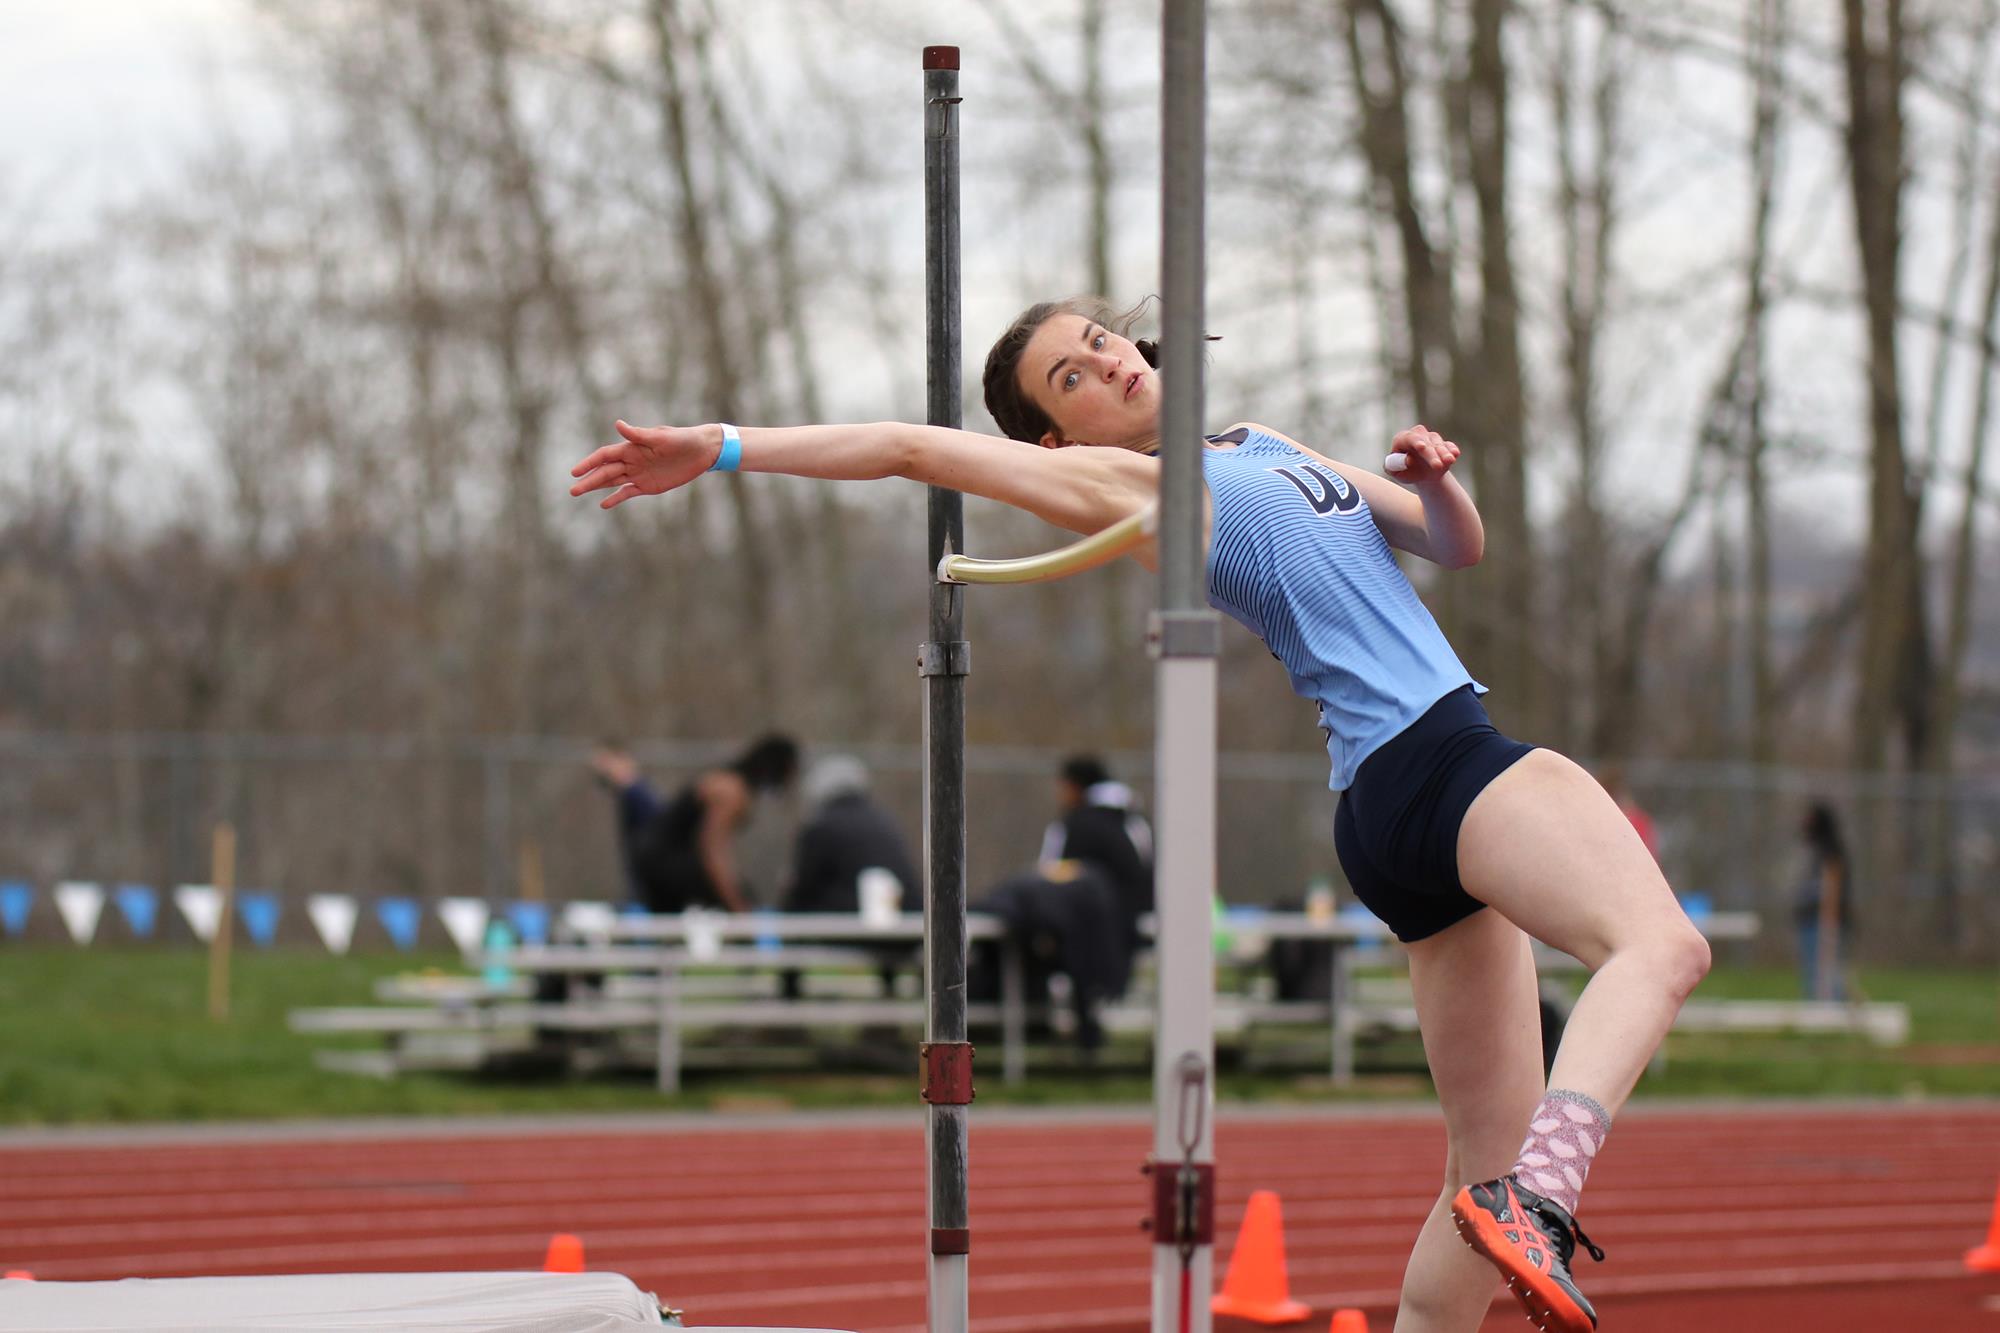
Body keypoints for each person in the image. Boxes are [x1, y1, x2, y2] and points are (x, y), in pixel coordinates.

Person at [569, 296, 1711, 1333]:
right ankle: (1545, 1200)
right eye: (1068, 376)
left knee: (1476, 1161)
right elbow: (907, 448)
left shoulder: (1258, 443)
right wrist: (717, 447)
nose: (1103, 364)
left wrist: (1434, 474)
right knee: (1660, 944)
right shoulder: (1140, 489)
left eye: (1097, 341)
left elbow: (1445, 540)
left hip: (1385, 812)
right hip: (1438, 754)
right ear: (1056, 439)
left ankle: (1511, 1200)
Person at [592, 735, 798, 914]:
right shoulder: (732, 792)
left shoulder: (727, 782)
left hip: (657, 859)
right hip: (663, 862)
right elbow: (711, 849)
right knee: (740, 897)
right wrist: (736, 903)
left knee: (671, 931)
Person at [1038, 754, 1153, 952]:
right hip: (1131, 927)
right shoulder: (1134, 822)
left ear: (1074, 786)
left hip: (1079, 930)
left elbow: (1049, 872)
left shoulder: (1069, 825)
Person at [781, 754, 920, 915]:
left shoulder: (822, 827)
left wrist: (783, 924)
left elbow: (801, 889)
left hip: (856, 923)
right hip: (908, 917)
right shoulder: (885, 820)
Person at [1792, 801, 1851, 1002]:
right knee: (1814, 972)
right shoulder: (1814, 851)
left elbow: (1832, 892)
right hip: (1810, 921)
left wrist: (1828, 925)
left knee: (1826, 973)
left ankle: (1828, 1013)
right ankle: (1819, 1009)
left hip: (1823, 923)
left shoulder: (1830, 852)